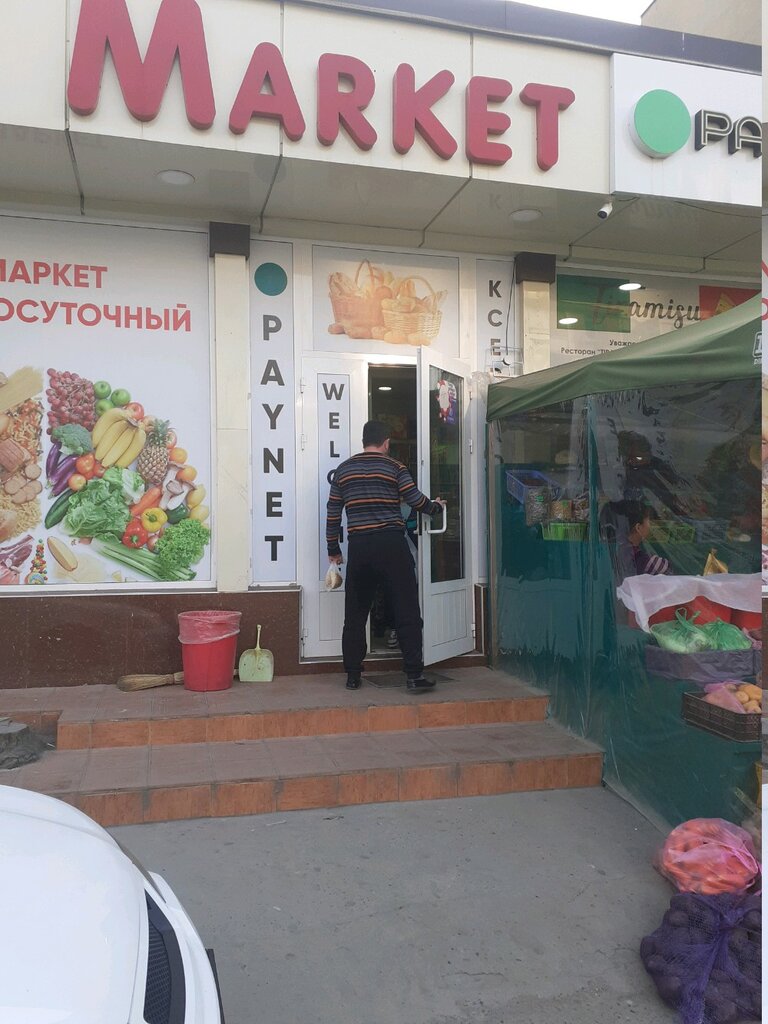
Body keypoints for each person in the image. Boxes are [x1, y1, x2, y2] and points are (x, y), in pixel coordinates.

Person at [326, 420, 444, 693]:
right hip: (391, 545)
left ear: (364, 441)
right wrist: (436, 507)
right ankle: (414, 675)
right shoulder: (395, 468)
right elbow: (415, 501)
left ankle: (353, 675)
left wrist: (334, 550)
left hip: (360, 547)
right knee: (406, 608)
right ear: (387, 442)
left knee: (355, 613)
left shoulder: (344, 471)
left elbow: (333, 514)